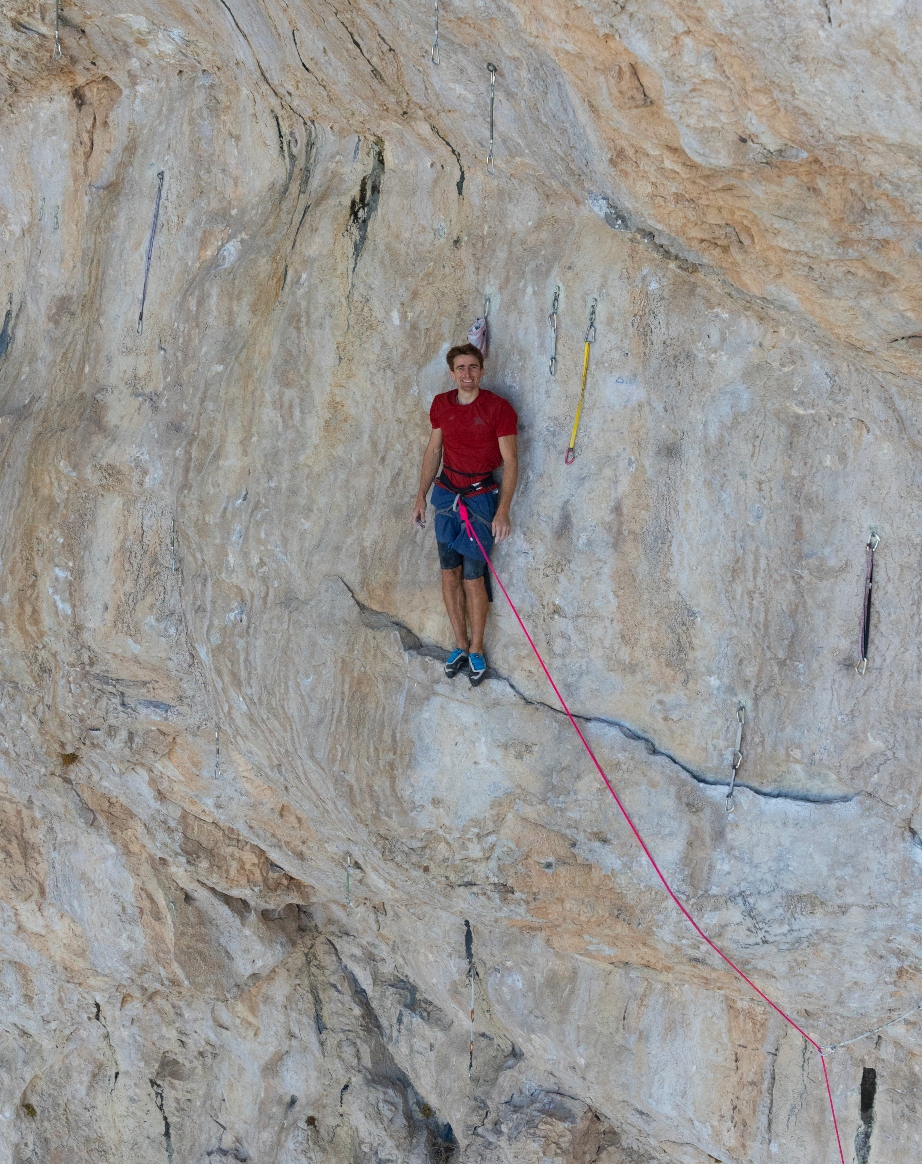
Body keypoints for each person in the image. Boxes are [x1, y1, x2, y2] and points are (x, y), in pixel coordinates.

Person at [412, 343, 518, 686]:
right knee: (448, 574)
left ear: (482, 371)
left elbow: (512, 462)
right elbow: (433, 450)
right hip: (446, 496)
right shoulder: (442, 405)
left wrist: (503, 511)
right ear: (452, 372)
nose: (467, 374)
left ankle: (476, 649)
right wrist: (420, 496)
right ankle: (458, 645)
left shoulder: (498, 409)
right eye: (461, 368)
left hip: (480, 499)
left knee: (474, 578)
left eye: (473, 367)